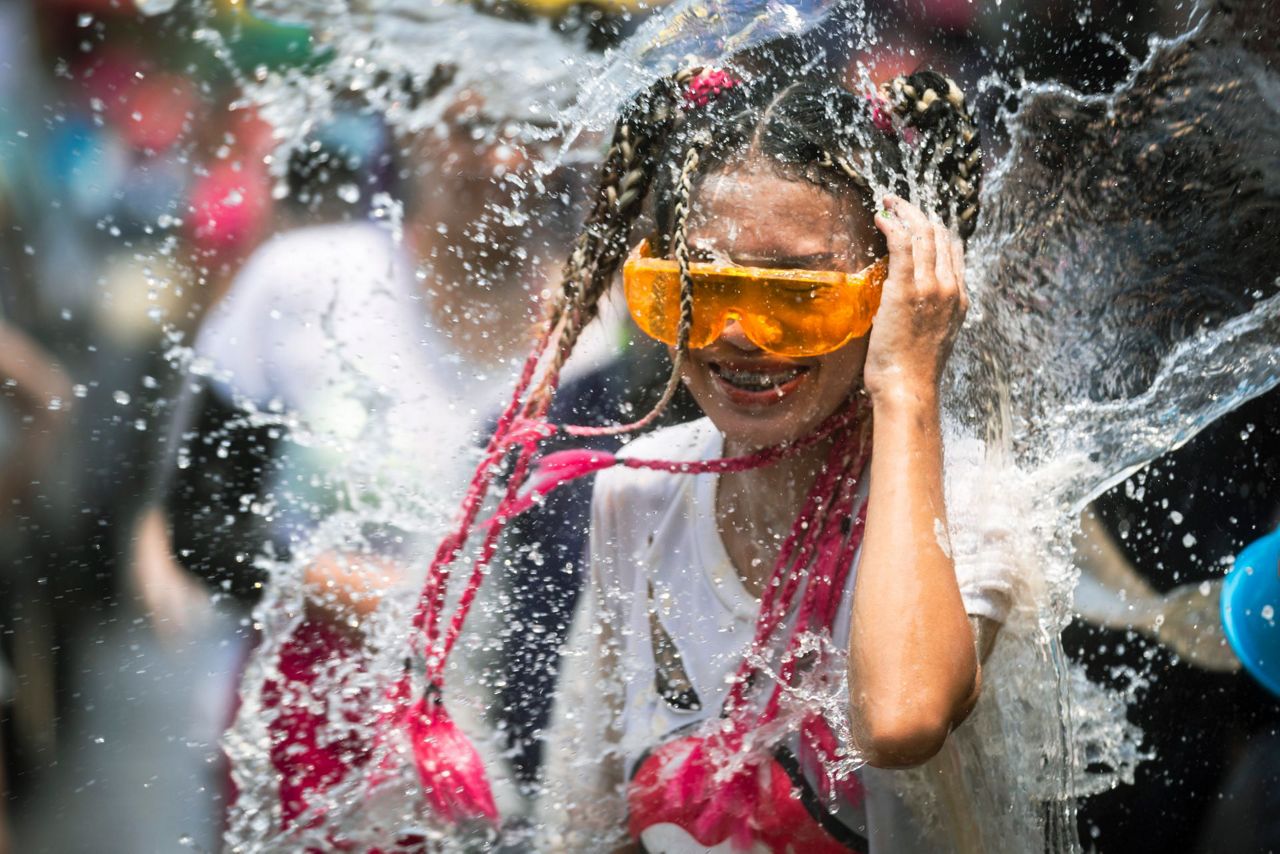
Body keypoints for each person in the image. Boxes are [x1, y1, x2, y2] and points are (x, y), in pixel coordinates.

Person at [396, 45, 1019, 848]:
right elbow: (582, 819)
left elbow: (899, 722)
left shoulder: (967, 501)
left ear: (895, 293)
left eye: (797, 296)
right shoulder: (639, 495)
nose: (735, 335)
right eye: (699, 288)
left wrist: (907, 383)